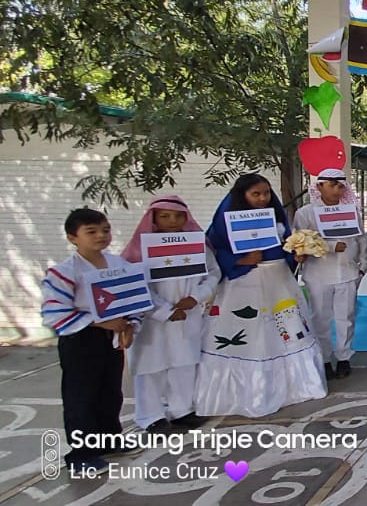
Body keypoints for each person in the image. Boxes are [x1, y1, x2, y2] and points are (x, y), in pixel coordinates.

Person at [199, 173, 326, 418]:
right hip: (244, 285)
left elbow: (285, 247)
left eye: (266, 193)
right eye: (255, 194)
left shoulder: (276, 218)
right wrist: (242, 260)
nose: (262, 198)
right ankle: (251, 391)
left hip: (279, 283)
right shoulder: (224, 222)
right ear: (242, 195)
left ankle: (297, 385)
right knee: (250, 332)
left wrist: (296, 255)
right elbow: (214, 251)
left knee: (285, 327)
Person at [41, 208, 142, 473]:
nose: (101, 236)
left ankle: (109, 438)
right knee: (81, 396)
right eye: (91, 231)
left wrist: (130, 325)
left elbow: (132, 299)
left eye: (105, 230)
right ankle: (81, 453)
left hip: (112, 338)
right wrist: (99, 322)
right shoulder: (64, 272)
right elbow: (54, 312)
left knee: (110, 391)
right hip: (80, 339)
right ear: (73, 237)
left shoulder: (119, 264)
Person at [121, 195, 218, 432]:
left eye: (177, 216)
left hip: (188, 314)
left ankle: (182, 410)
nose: (172, 221)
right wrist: (163, 311)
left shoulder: (198, 245)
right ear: (153, 219)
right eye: (164, 216)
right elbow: (133, 285)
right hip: (152, 320)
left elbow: (213, 274)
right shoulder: (139, 249)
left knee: (185, 363)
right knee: (150, 367)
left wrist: (195, 298)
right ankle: (150, 416)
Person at [293, 169, 367, 379]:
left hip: (347, 272)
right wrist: (329, 246)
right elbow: (301, 243)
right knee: (320, 318)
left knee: (346, 317)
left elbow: (361, 240)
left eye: (340, 186)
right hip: (318, 274)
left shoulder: (351, 211)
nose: (336, 190)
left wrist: (363, 266)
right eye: (332, 185)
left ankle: (344, 357)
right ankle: (325, 358)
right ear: (319, 186)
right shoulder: (305, 213)